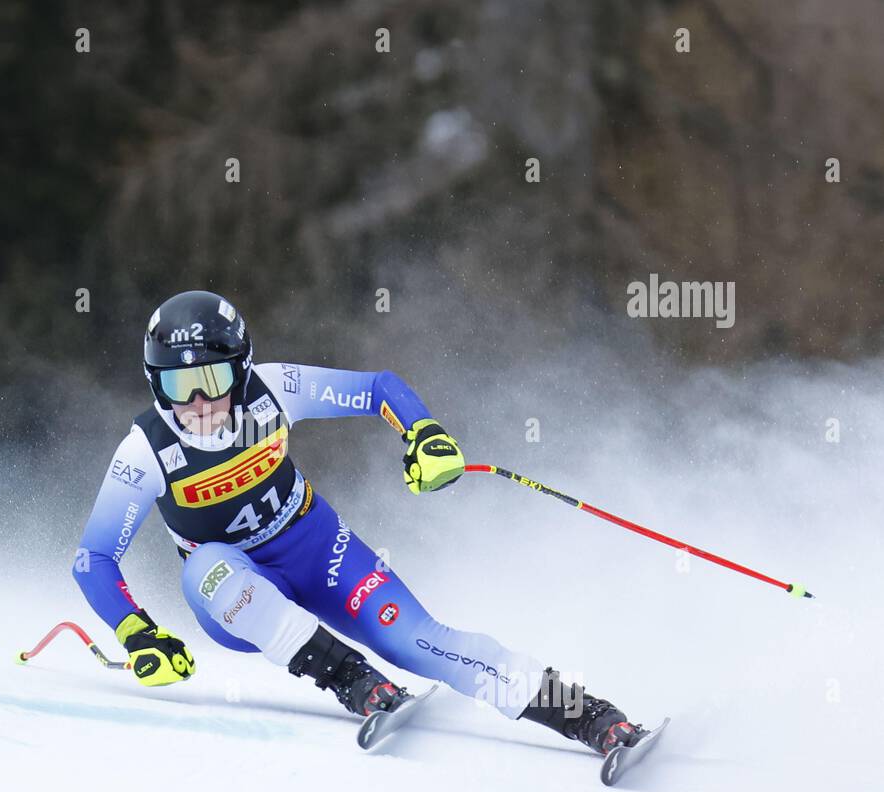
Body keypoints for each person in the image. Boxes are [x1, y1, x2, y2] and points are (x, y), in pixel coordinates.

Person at [72, 291, 646, 755]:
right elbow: (94, 558)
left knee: (417, 641)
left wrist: (424, 433)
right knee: (208, 566)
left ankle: (589, 717)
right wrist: (136, 631)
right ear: (155, 384)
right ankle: (353, 680)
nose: (197, 404)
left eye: (213, 382)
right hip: (236, 594)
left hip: (316, 547)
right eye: (178, 386)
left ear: (241, 372)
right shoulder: (144, 451)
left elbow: (376, 390)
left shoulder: (274, 389)